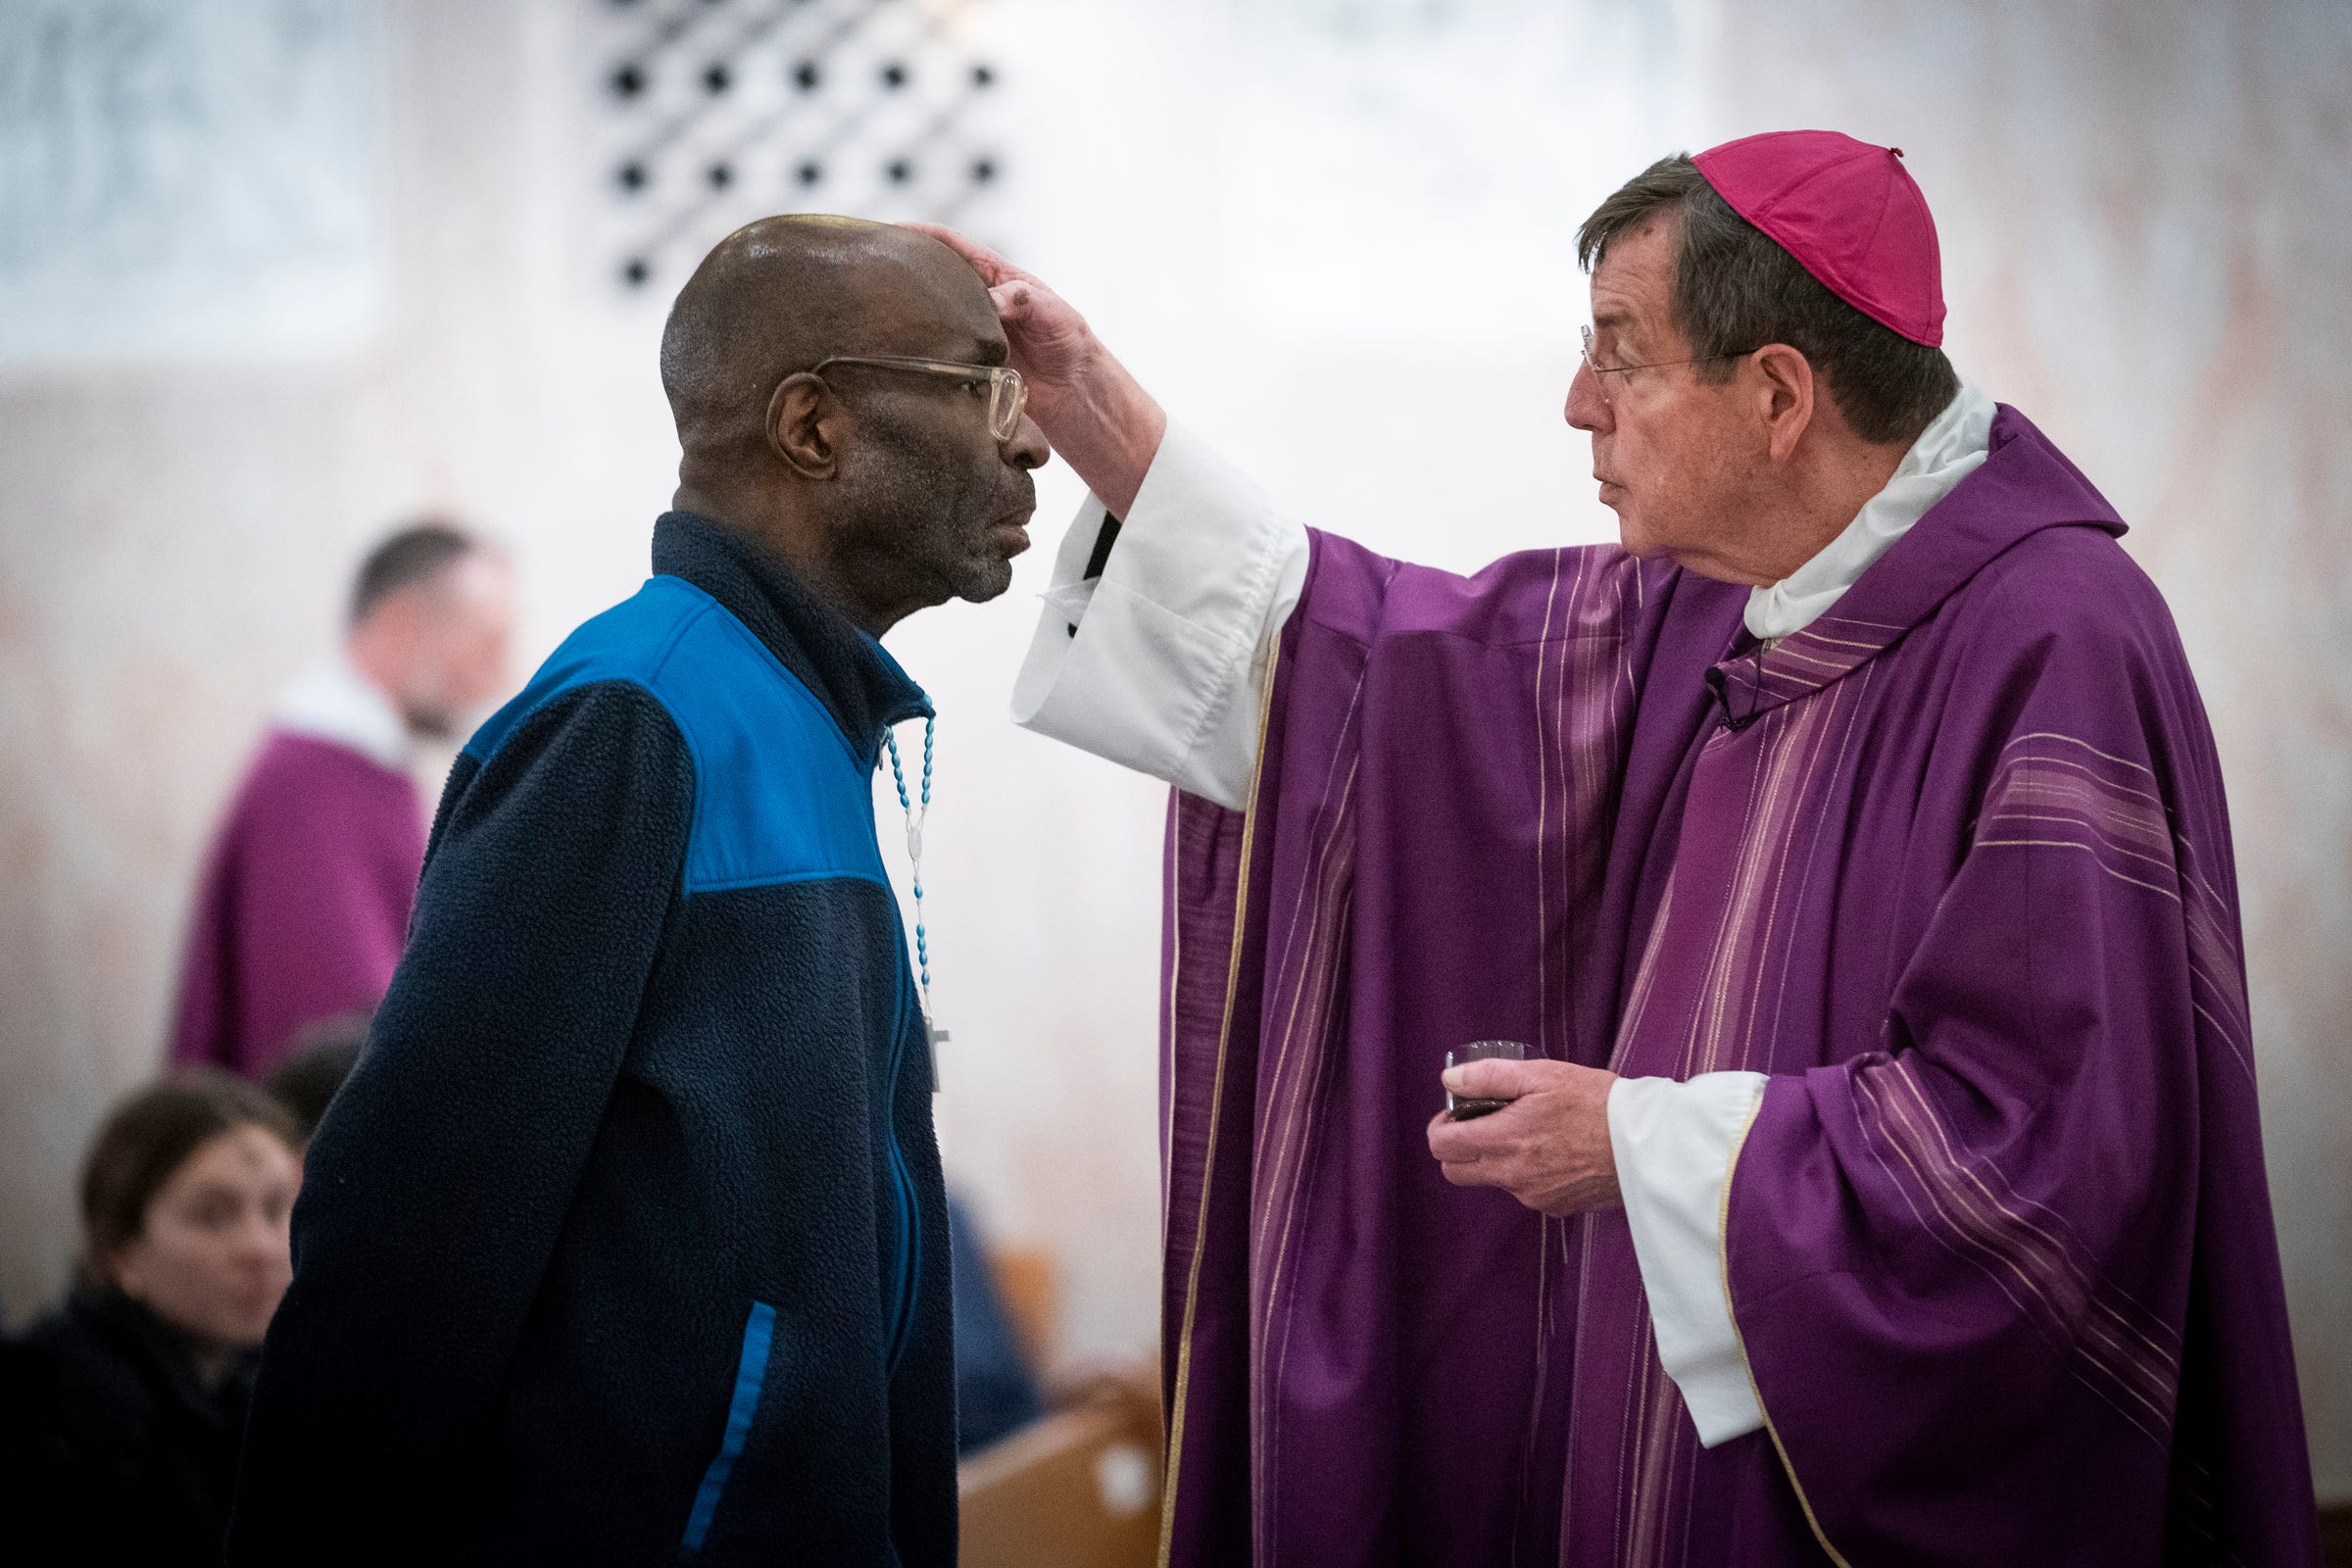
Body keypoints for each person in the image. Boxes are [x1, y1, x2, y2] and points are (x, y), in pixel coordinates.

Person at [927, 129, 2318, 1566]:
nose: (1579, 404)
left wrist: (1636, 1143)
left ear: (1779, 394)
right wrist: (1087, 396)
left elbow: (2052, 1162)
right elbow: (1372, 665)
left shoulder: (2054, 641)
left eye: (1623, 355)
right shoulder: (1730, 605)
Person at [228, 216, 1049, 1566]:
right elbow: (411, 1236)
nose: (1026, 442)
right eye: (985, 389)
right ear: (814, 427)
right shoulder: (637, 719)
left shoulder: (797, 717)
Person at [171, 522, 516, 1078]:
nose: (497, 677)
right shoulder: (309, 783)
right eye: (486, 646)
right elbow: (335, 1033)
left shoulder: (359, 765)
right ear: (402, 625)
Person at [0, 1072, 301, 1565]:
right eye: (212, 1216)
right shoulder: (70, 1412)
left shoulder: (255, 1385)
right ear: (123, 1251)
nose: (262, 1247)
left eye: (276, 1209)